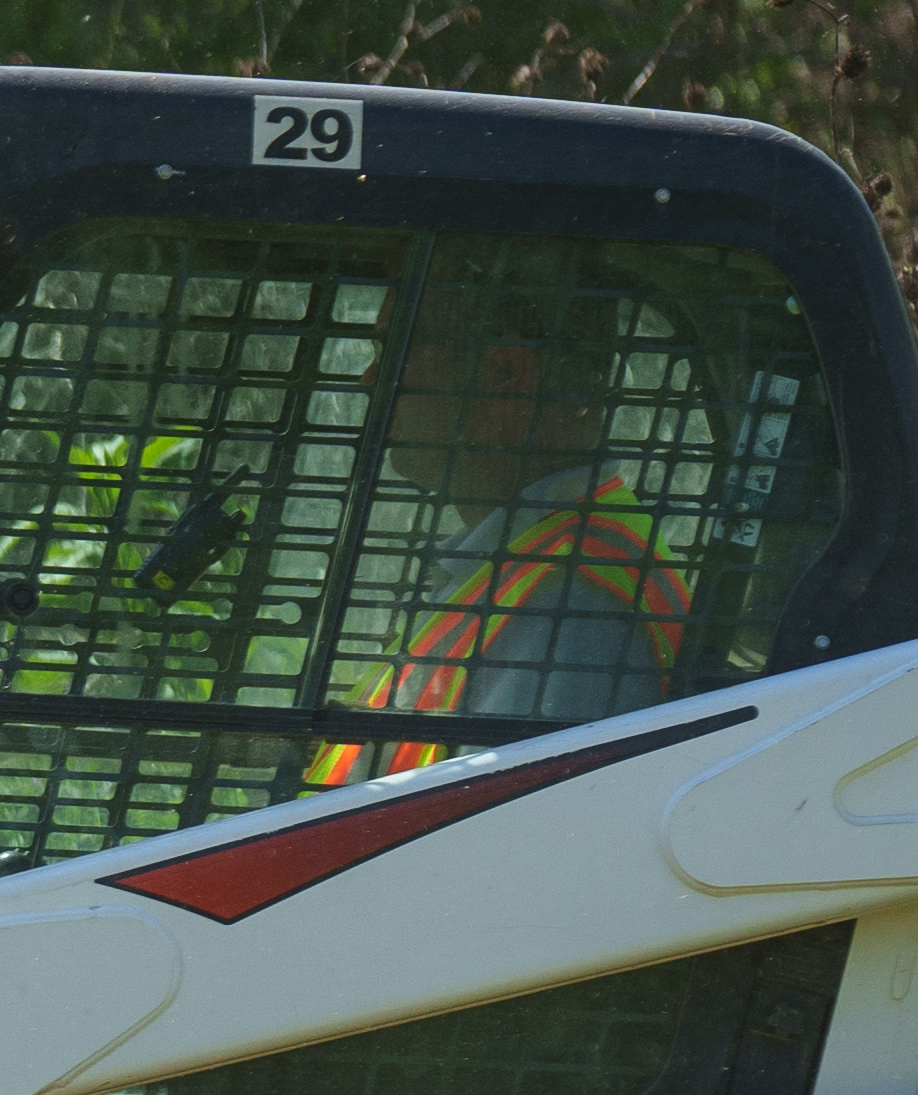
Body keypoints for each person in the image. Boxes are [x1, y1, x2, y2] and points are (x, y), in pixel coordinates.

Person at [300, 279, 699, 788]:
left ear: (504, 373)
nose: (368, 379)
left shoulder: (571, 597)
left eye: (394, 353)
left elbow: (500, 818)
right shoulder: (526, 564)